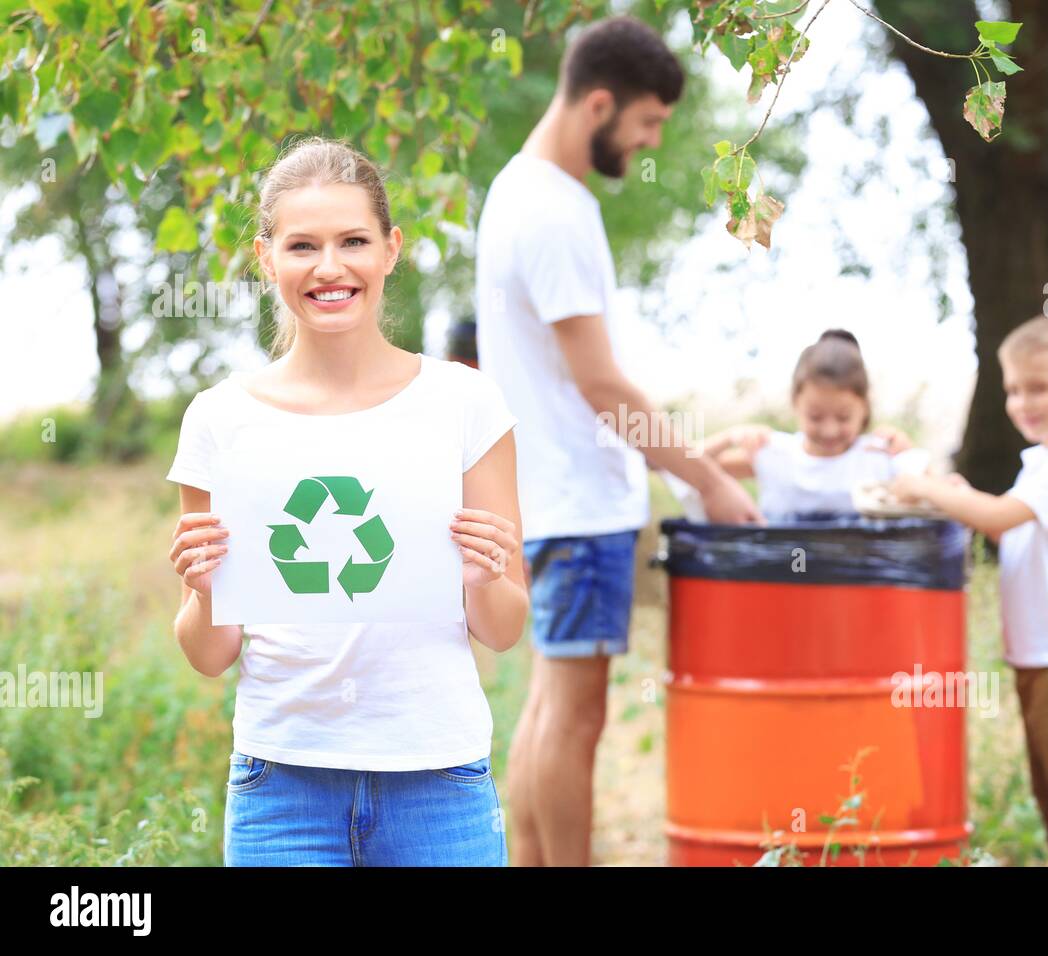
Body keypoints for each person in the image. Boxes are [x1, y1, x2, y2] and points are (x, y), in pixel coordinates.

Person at [166, 137, 529, 866]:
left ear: (391, 249)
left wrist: (485, 575)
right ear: (267, 259)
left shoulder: (464, 400)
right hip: (282, 784)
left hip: (440, 779)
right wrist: (204, 592)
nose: (329, 267)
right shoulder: (220, 419)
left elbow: (504, 628)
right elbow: (210, 654)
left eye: (353, 241)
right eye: (303, 245)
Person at [474, 15, 760, 867]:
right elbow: (601, 386)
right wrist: (705, 479)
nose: (651, 139)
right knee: (574, 717)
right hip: (579, 504)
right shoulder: (555, 212)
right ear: (600, 103)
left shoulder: (515, 193)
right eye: (648, 121)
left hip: (543, 498)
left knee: (546, 710)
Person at [890, 315, 1048, 866]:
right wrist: (958, 492)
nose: (1022, 403)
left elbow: (997, 520)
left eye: (1038, 388)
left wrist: (923, 487)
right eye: (1013, 390)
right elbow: (1002, 512)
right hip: (1045, 662)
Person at [698, 329, 928, 520]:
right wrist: (730, 437)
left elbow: (939, 491)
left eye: (843, 418)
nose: (829, 430)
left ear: (865, 408)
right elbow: (683, 464)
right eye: (815, 417)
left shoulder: (878, 457)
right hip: (783, 573)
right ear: (795, 403)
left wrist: (907, 454)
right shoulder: (777, 455)